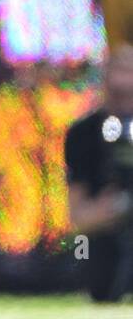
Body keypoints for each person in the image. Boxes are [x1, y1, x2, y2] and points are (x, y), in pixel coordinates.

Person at [65, 43, 133, 302]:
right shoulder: (83, 133)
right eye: (119, 94)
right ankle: (83, 282)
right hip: (103, 232)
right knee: (83, 245)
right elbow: (78, 216)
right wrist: (109, 210)